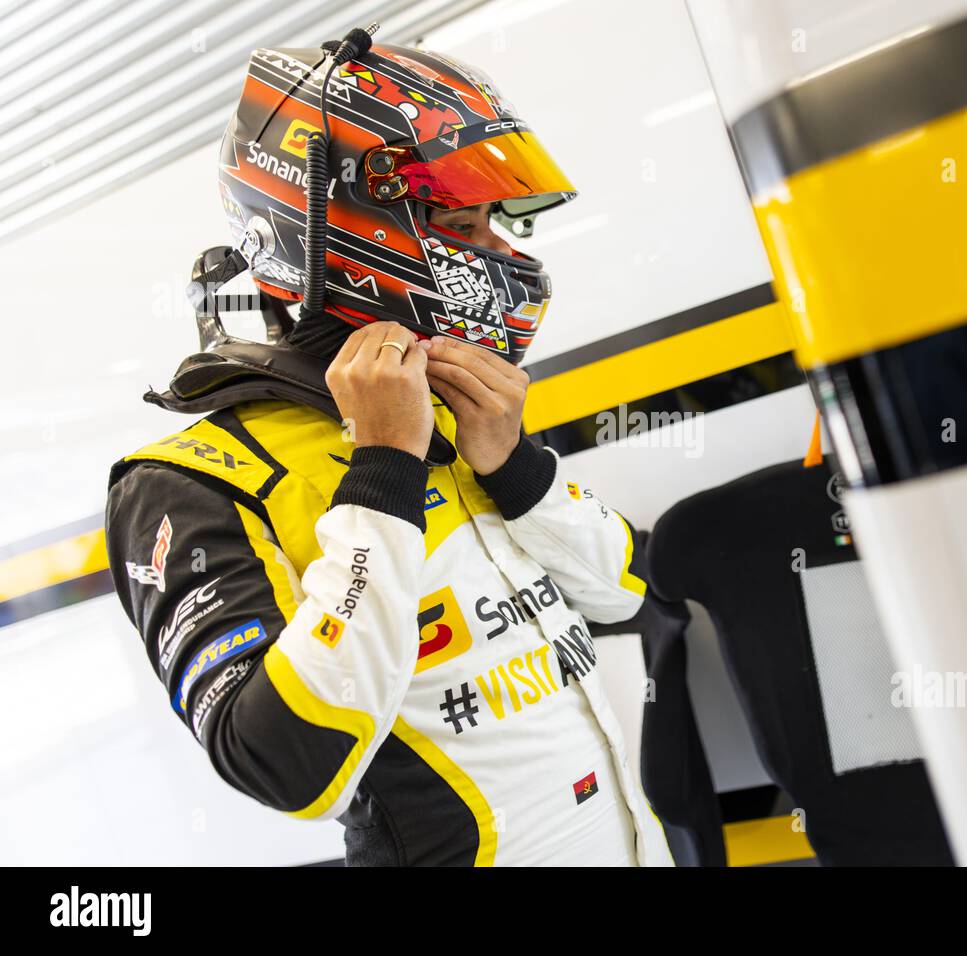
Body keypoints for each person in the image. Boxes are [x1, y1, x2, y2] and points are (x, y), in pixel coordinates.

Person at [104, 36, 673, 867]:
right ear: (347, 227)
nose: (499, 255)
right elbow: (284, 765)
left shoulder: (445, 409)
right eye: (462, 223)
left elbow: (628, 591)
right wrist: (383, 477)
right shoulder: (182, 481)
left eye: (496, 224)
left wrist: (516, 469)